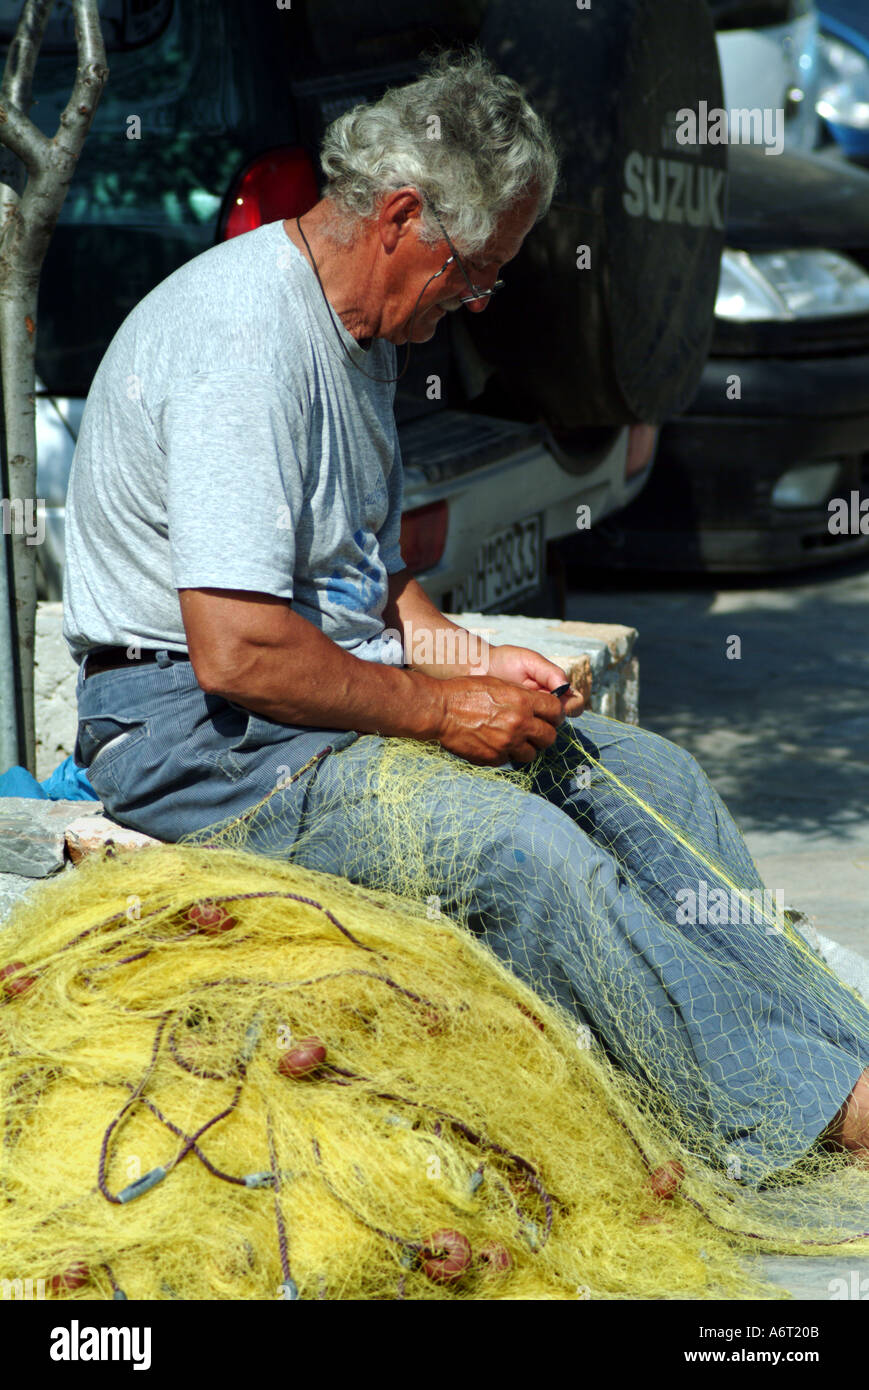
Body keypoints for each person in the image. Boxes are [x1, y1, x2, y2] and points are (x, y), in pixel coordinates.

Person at [63, 48, 869, 1181]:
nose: (475, 300)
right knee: (521, 851)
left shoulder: (358, 328)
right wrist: (443, 714)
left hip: (303, 703)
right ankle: (795, 1117)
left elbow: (369, 580)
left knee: (650, 783)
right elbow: (238, 651)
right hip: (199, 742)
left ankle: (840, 1062)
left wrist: (477, 661)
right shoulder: (246, 342)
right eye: (474, 270)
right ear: (399, 217)